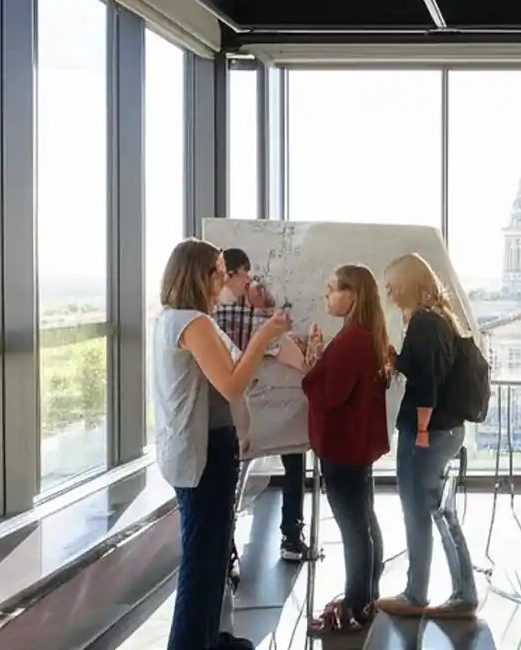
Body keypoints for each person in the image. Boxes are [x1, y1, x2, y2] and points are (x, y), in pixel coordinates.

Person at [153, 238, 289, 650]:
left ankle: (211, 638)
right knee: (203, 561)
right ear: (200, 275)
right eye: (218, 270)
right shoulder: (193, 323)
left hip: (194, 450)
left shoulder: (173, 320)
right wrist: (263, 336)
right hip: (204, 454)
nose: (223, 278)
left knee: (211, 557)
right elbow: (231, 383)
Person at [376, 253, 479, 619]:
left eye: (392, 286)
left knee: (421, 512)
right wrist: (398, 361)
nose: (389, 294)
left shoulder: (425, 322)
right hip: (444, 429)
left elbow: (427, 385)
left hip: (429, 433)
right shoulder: (439, 318)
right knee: (437, 511)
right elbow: (427, 370)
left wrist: (420, 431)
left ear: (408, 284)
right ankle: (458, 593)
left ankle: (420, 594)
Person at [304, 265, 391, 634]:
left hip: (342, 445)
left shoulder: (352, 338)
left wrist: (311, 366)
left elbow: (330, 392)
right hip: (357, 444)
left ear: (353, 294)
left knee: (353, 526)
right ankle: (367, 597)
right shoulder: (366, 334)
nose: (326, 296)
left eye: (332, 289)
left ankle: (354, 606)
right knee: (364, 520)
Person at [214, 248, 311, 576]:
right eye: (246, 275)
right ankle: (289, 536)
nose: (250, 282)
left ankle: (232, 547)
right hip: (251, 400)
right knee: (281, 459)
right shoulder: (221, 313)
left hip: (252, 403)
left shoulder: (228, 311)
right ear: (233, 274)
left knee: (252, 467)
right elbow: (282, 348)